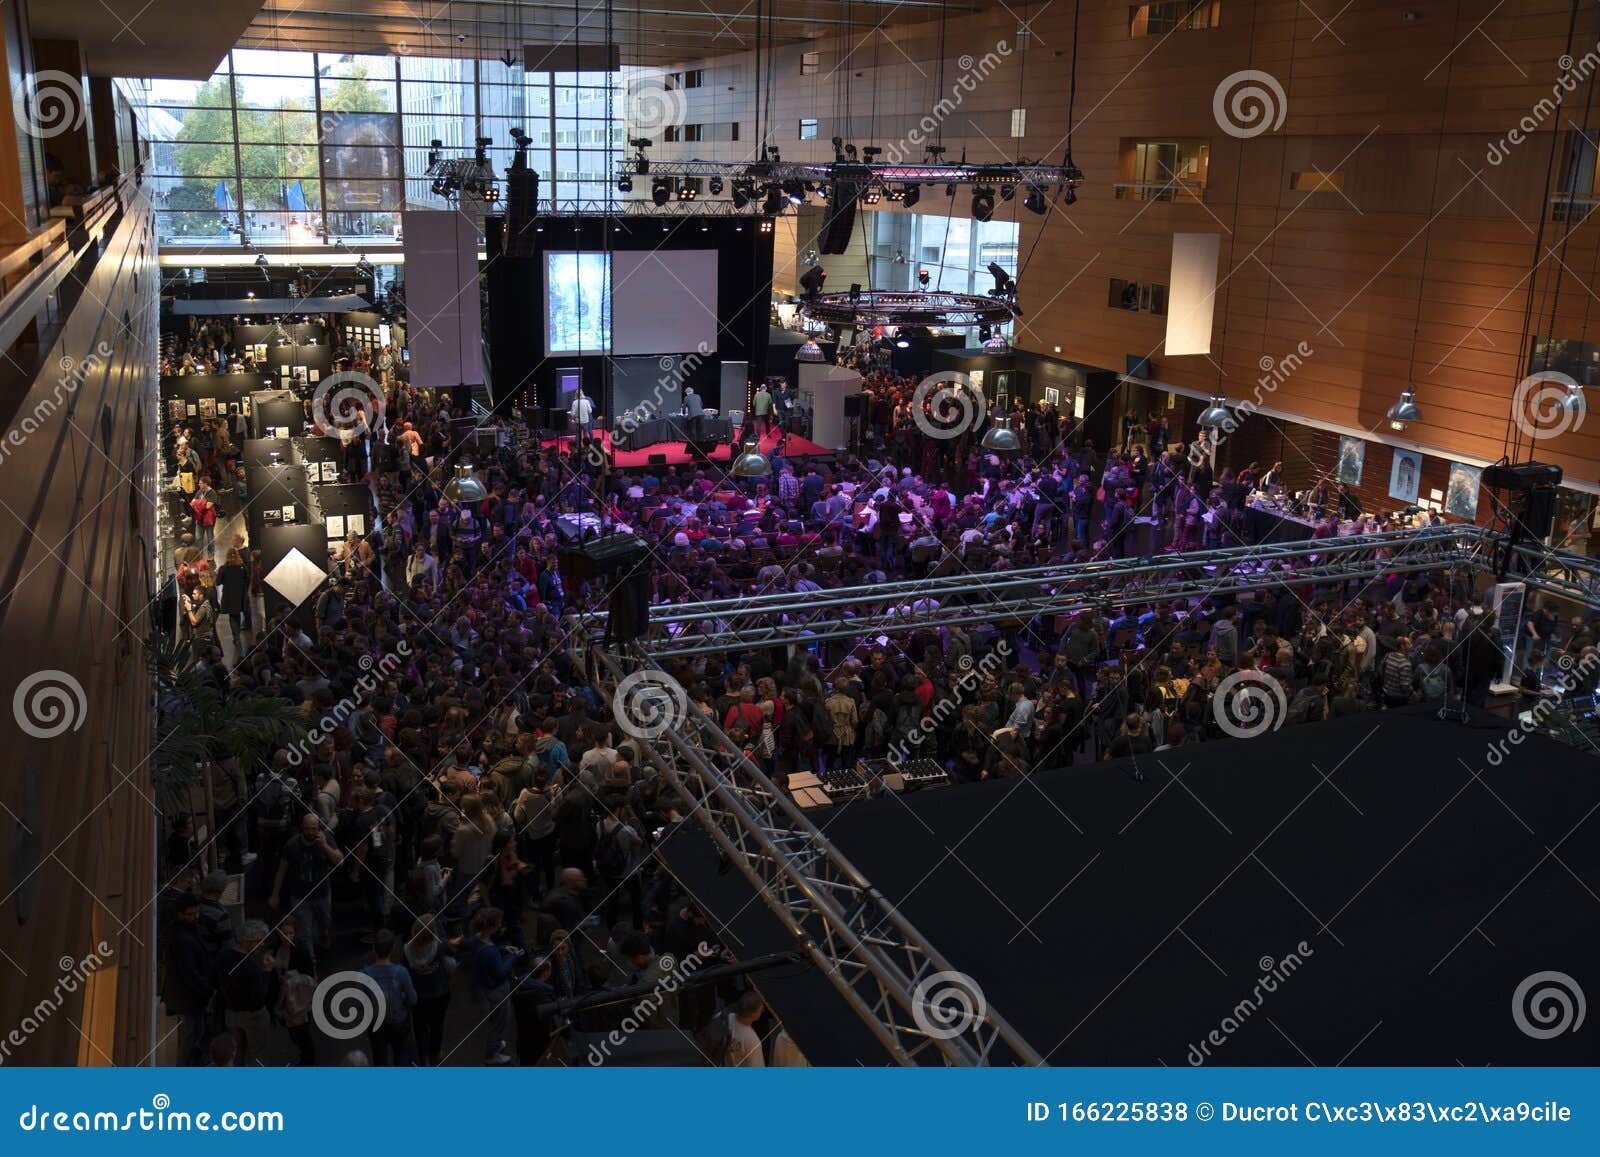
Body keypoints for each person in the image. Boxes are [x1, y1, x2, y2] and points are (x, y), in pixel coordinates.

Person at [267, 813, 344, 971]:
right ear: (302, 828)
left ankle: (324, 941)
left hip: (322, 894)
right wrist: (275, 894)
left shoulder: (326, 838)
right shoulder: (292, 845)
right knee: (304, 933)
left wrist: (325, 846)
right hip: (300, 896)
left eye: (314, 829)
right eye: (308, 829)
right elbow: (282, 870)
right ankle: (311, 965)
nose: (310, 833)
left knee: (324, 924)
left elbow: (339, 861)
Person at [361, 929, 417, 1065]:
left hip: (376, 1023)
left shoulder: (365, 973)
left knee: (380, 1059)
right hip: (398, 1022)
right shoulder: (401, 972)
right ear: (392, 949)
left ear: (374, 948)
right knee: (402, 1056)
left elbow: (361, 1004)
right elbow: (413, 1000)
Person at [725, 989, 765, 1067]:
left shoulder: (727, 1018)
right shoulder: (752, 1041)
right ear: (754, 1015)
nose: (762, 1011)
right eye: (761, 1010)